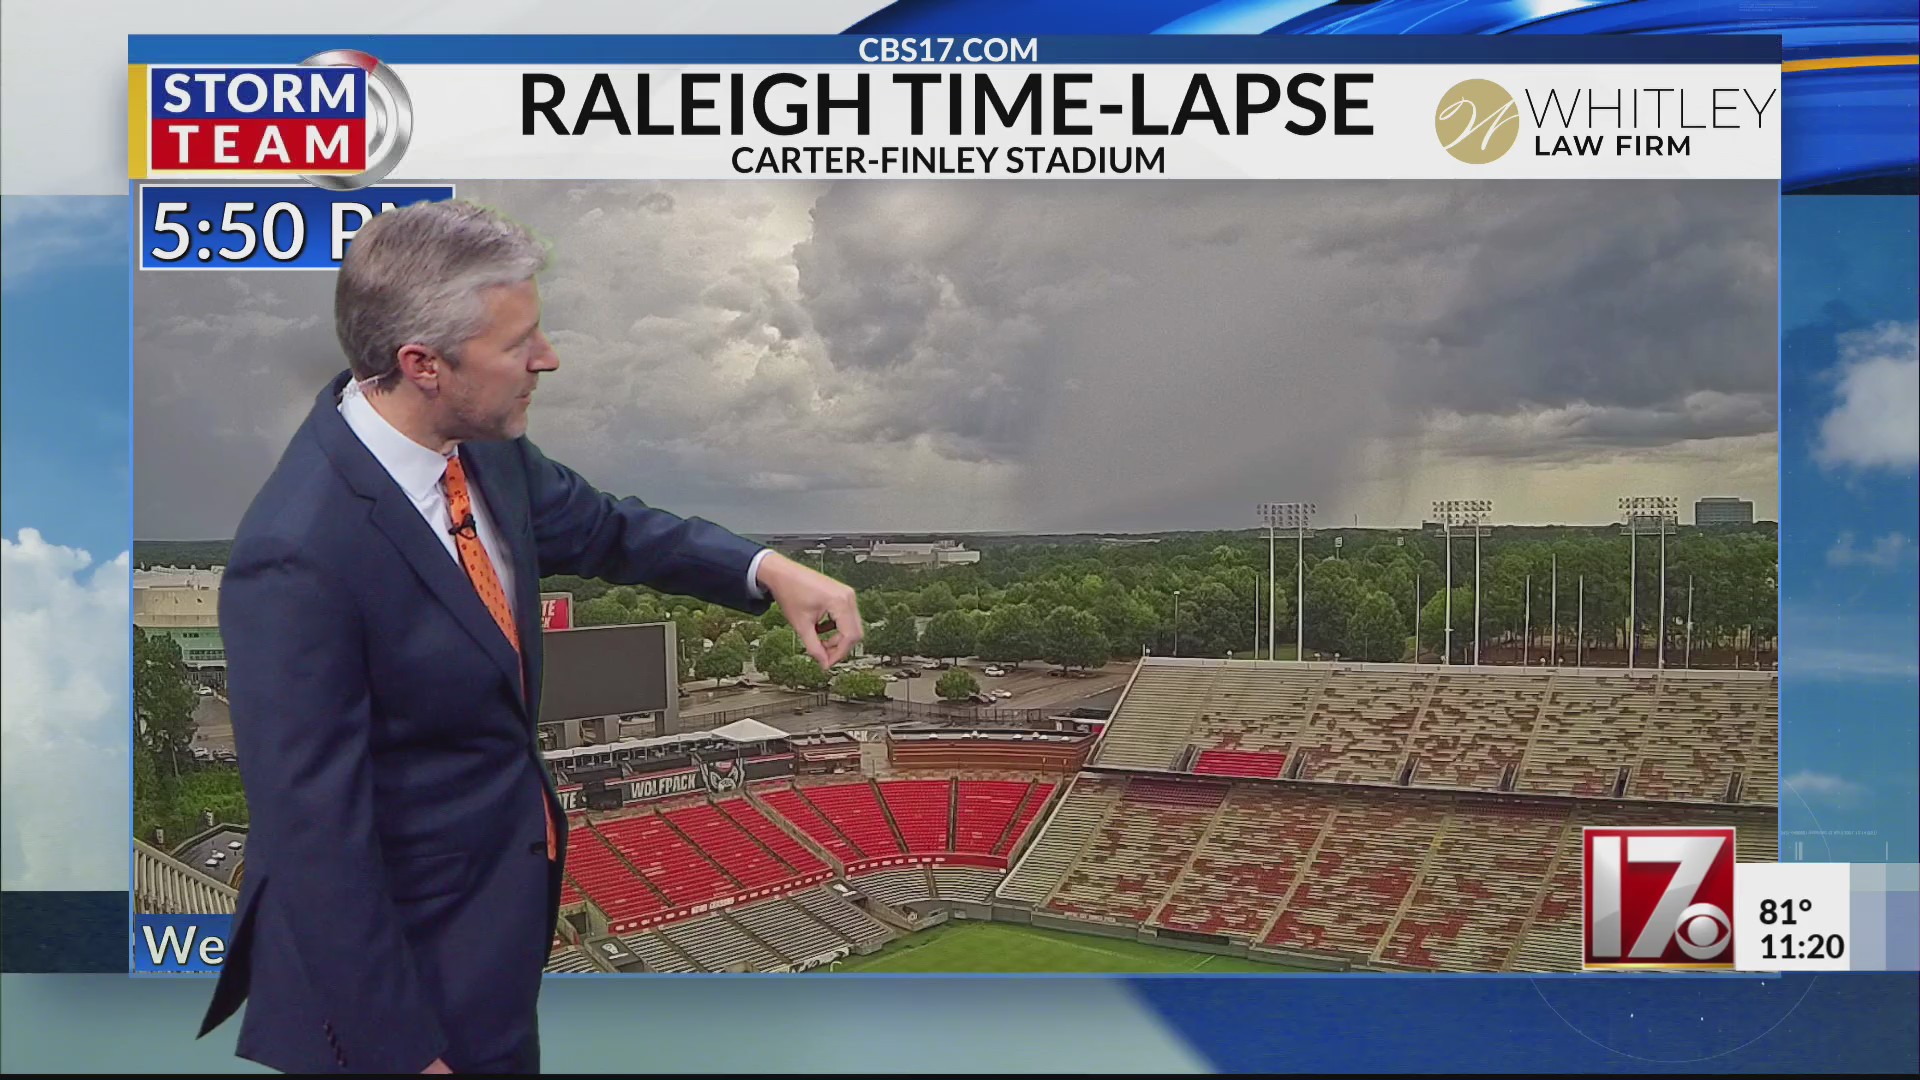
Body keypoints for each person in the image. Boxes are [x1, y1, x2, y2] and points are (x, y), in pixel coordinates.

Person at [197, 199, 861, 1074]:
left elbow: (609, 529)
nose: (546, 359)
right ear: (421, 362)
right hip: (389, 997)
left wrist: (767, 568)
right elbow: (316, 839)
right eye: (519, 344)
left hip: (489, 941)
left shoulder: (484, 447)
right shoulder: (297, 553)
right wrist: (400, 1055)